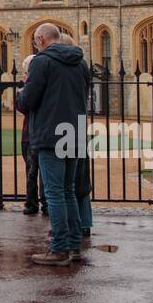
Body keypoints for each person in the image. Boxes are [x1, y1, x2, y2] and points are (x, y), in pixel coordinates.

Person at [19, 22, 89, 266]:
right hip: (75, 131)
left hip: (50, 133)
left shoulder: (42, 62)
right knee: (68, 190)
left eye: (35, 41)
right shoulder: (80, 62)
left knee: (54, 192)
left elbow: (28, 100)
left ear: (41, 39)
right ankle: (73, 245)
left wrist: (21, 94)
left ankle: (59, 248)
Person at [58, 34, 94, 240]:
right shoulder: (82, 66)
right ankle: (84, 223)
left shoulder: (57, 67)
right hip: (78, 124)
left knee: (63, 184)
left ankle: (66, 232)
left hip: (60, 127)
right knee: (80, 178)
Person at [15, 54, 48, 215]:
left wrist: (21, 93)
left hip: (32, 134)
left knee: (36, 171)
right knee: (34, 171)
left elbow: (23, 106)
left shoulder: (33, 84)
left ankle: (36, 203)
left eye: (26, 71)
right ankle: (35, 202)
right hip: (32, 133)